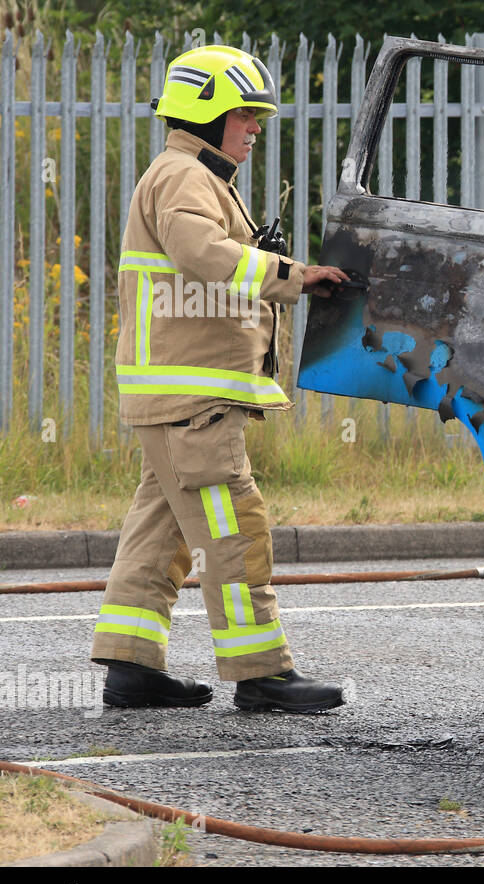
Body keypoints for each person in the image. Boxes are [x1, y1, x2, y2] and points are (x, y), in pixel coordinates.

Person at [91, 45, 351, 713]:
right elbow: (202, 254)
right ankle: (261, 674)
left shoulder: (198, 176)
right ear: (206, 115)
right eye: (245, 115)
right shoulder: (183, 177)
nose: (255, 128)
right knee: (235, 529)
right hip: (192, 402)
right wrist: (292, 275)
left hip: (175, 400)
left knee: (164, 532)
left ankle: (131, 664)